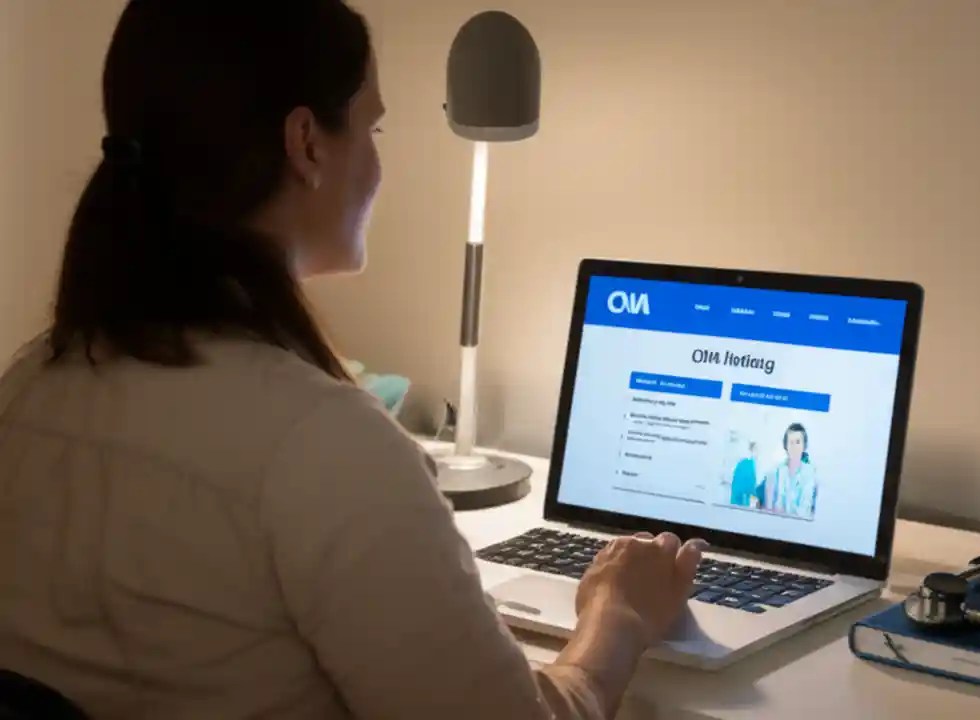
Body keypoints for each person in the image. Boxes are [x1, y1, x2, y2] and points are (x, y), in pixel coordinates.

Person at [0, 2, 704, 718]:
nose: (377, 159)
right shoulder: (324, 445)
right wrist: (616, 617)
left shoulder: (28, 386)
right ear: (306, 142)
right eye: (374, 127)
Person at [764, 423, 818, 519]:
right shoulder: (777, 471)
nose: (794, 446)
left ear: (804, 445)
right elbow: (773, 506)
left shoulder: (810, 473)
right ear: (786, 445)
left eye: (798, 442)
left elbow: (805, 510)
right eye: (791, 442)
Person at [729, 441, 759, 507]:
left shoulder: (744, 463)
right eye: (756, 449)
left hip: (738, 499)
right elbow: (750, 486)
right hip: (741, 500)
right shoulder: (749, 464)